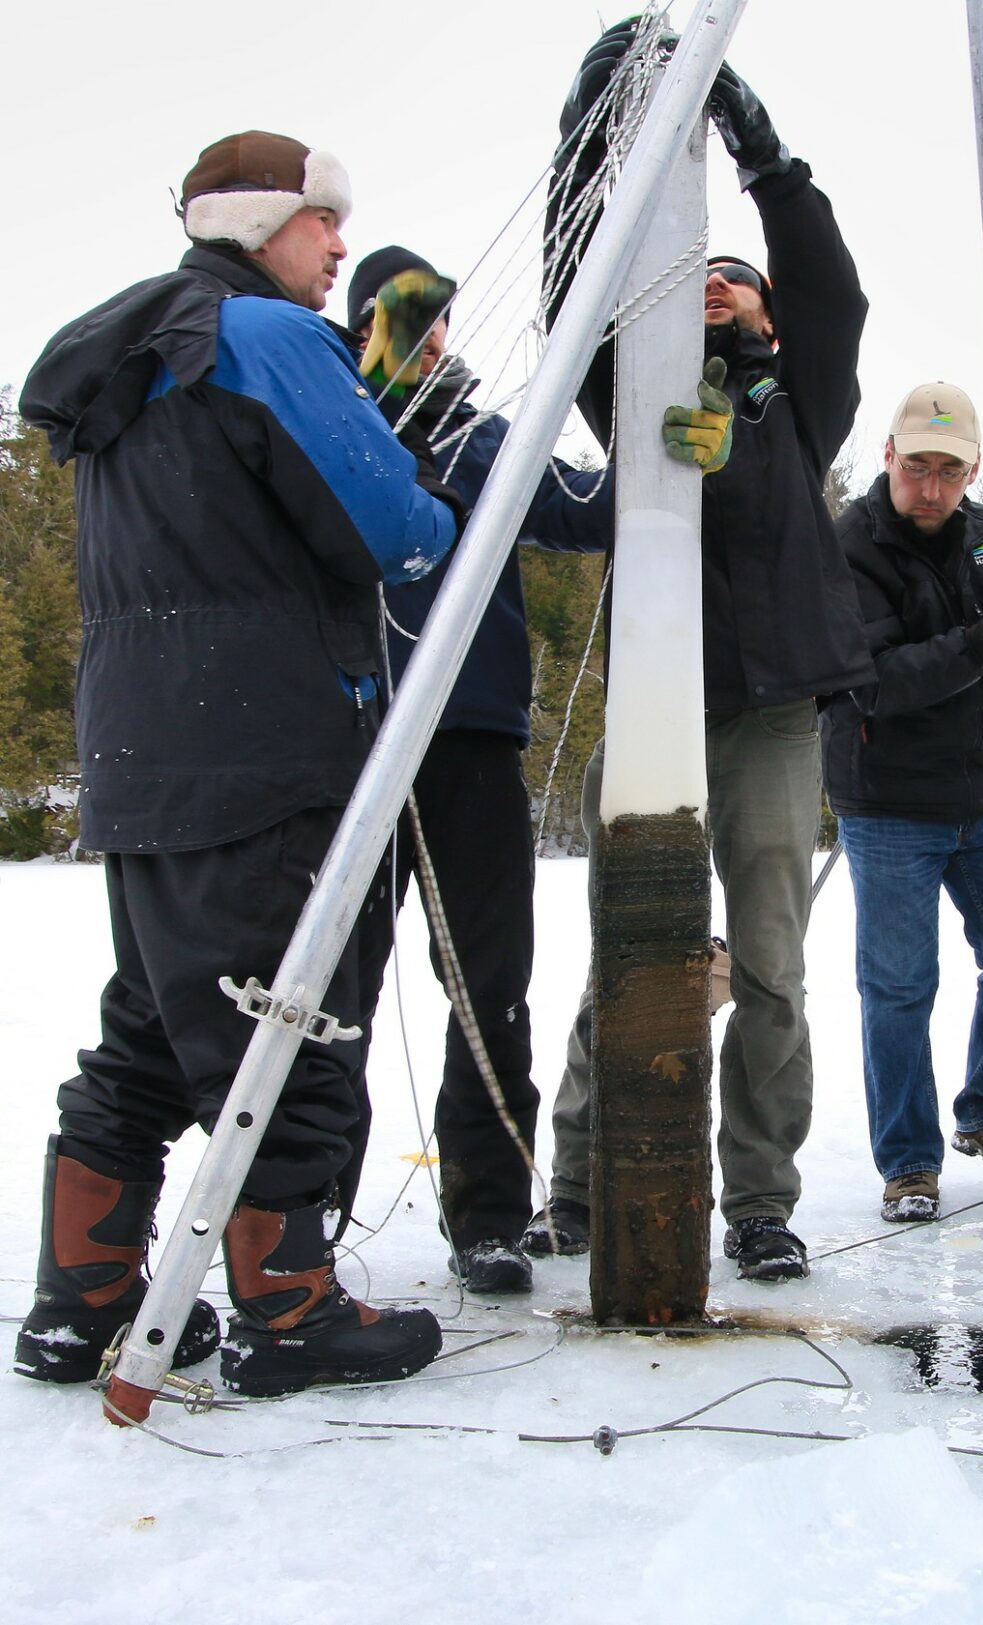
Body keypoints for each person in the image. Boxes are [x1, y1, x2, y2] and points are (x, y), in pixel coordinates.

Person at [14, 132, 459, 1396]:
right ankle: (290, 1309)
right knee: (291, 1019)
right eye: (324, 222)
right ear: (264, 220)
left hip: (145, 749)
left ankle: (81, 1298)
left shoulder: (139, 353)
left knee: (158, 1022)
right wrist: (406, 453)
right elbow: (394, 526)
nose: (337, 249)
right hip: (265, 742)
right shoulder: (261, 336)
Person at [524, 25, 872, 1284]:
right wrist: (589, 134)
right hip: (659, 708)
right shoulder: (634, 384)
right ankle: (576, 1178)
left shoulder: (807, 401)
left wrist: (766, 159)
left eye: (740, 278)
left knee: (770, 969)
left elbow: (832, 288)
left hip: (776, 715)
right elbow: (572, 287)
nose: (717, 283)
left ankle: (762, 1199)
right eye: (700, 272)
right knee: (632, 947)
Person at [343, 245, 613, 1296]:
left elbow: (587, 511)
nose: (424, 340)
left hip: (472, 740)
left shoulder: (485, 439)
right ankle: (303, 1216)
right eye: (399, 320)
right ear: (361, 327)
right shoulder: (326, 429)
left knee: (489, 989)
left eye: (436, 321)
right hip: (351, 745)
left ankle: (491, 1219)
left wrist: (665, 448)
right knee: (330, 993)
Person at [822, 383, 983, 1222]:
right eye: (917, 466)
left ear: (972, 471)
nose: (931, 489)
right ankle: (908, 1163)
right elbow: (878, 681)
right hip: (889, 801)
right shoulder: (848, 547)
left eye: (950, 472)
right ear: (887, 456)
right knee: (898, 986)